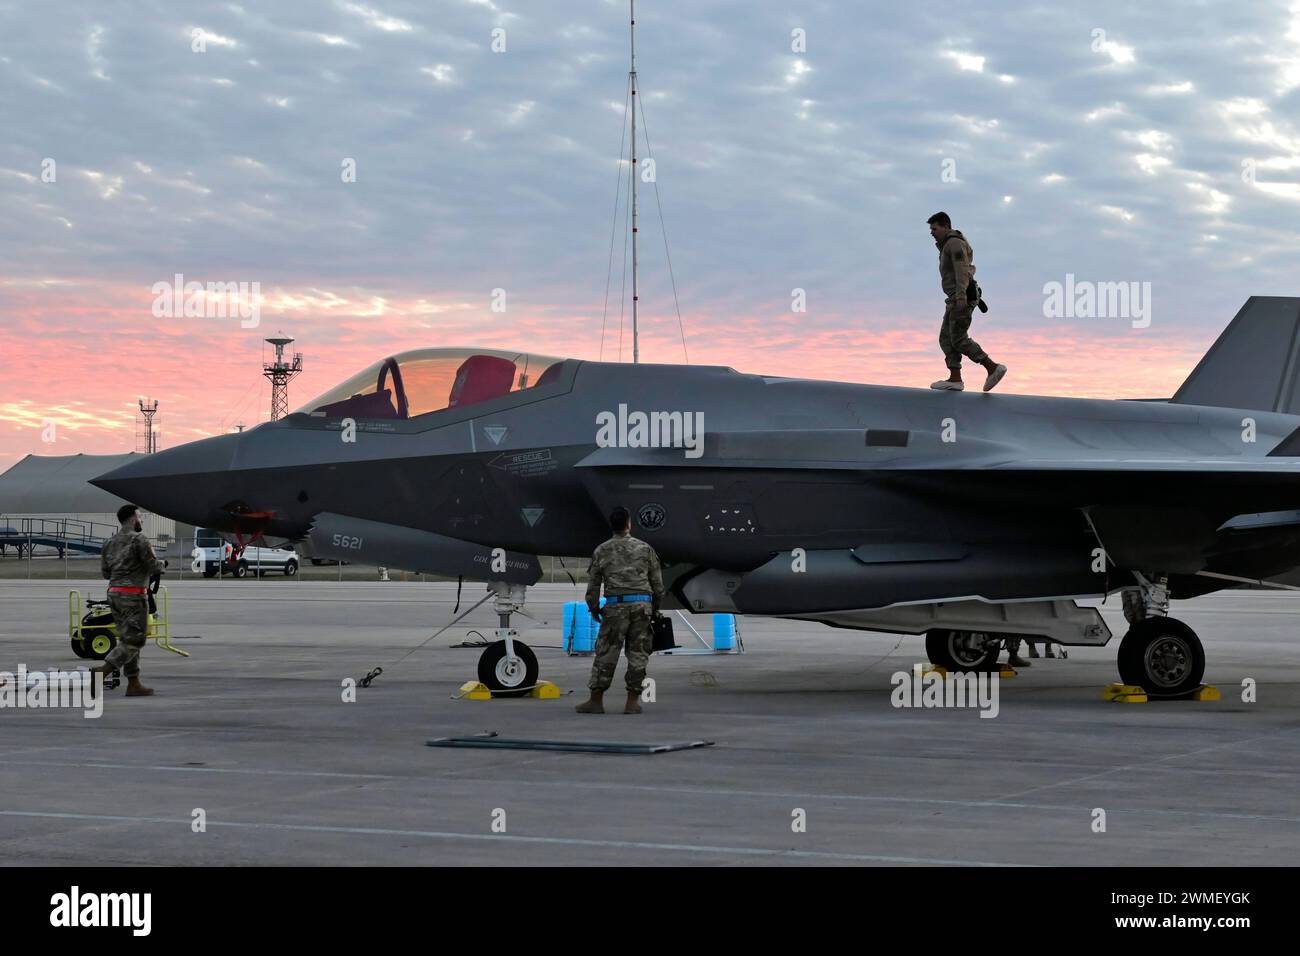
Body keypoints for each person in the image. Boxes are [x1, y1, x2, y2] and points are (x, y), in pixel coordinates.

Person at [575, 506, 665, 715]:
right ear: (628, 524)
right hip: (642, 606)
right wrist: (655, 608)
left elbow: (593, 585)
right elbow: (658, 585)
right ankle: (632, 702)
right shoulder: (645, 549)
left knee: (606, 652)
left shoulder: (601, 550)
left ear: (612, 525)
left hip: (616, 606)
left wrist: (594, 607)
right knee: (638, 653)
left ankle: (596, 700)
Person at [927, 212, 1007, 392]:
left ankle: (992, 367)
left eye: (934, 228)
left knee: (958, 338)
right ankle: (955, 379)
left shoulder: (954, 244)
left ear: (946, 226)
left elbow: (961, 270)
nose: (932, 232)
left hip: (960, 297)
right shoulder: (947, 244)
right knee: (946, 338)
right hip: (955, 297)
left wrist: (961, 296)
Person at [90, 504, 163, 697]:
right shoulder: (139, 540)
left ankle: (133, 682)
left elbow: (106, 572)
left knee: (127, 638)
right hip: (133, 595)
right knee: (136, 639)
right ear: (133, 519)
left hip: (114, 594)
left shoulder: (109, 542)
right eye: (140, 516)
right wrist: (161, 564)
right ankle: (103, 671)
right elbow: (153, 566)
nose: (141, 520)